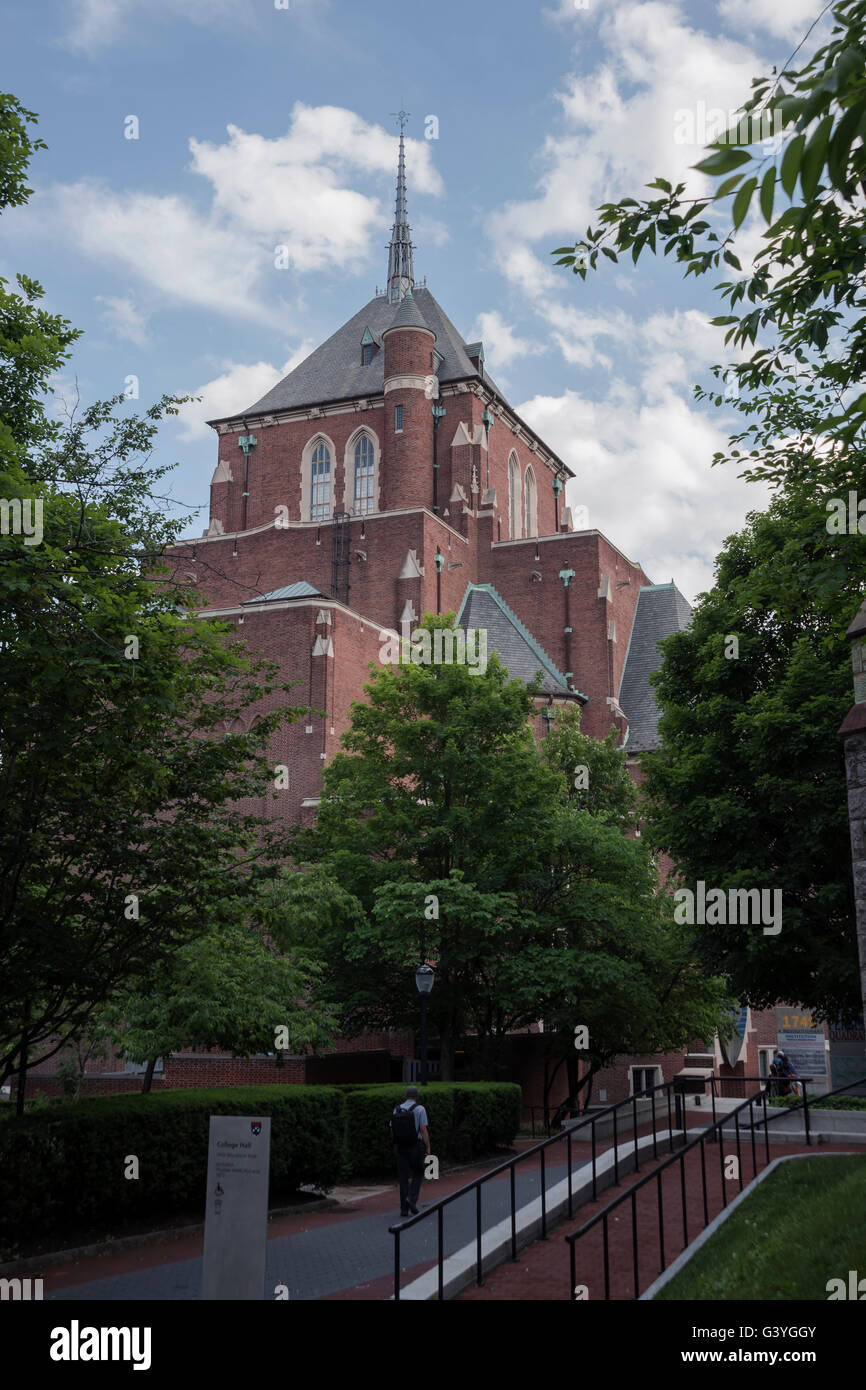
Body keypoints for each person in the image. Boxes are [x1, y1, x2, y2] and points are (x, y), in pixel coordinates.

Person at [390, 1085, 431, 1218]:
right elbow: (423, 1129)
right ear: (416, 1096)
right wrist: (428, 1146)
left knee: (403, 1177)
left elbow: (392, 1129)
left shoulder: (397, 1109)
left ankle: (404, 1209)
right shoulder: (420, 1109)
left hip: (401, 1146)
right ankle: (411, 1199)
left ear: (406, 1096)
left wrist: (394, 1145)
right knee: (419, 1172)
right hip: (415, 1146)